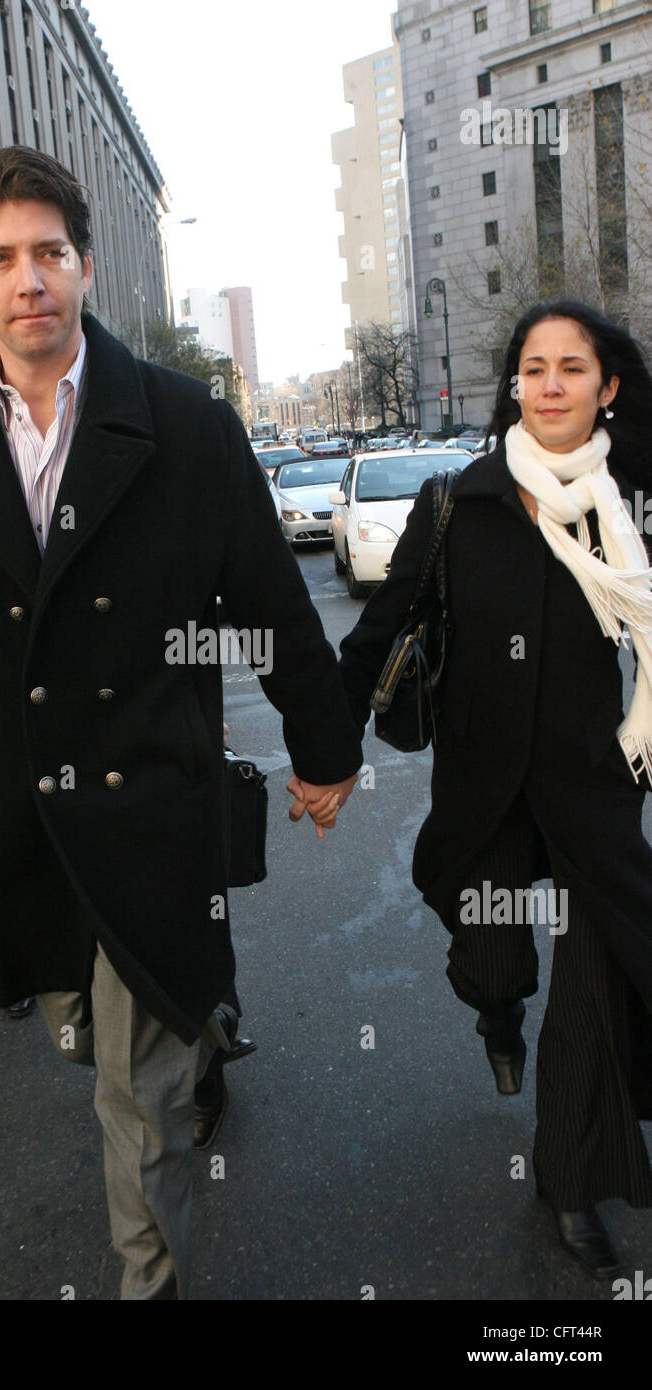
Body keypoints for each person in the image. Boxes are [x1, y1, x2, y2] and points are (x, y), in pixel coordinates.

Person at [0, 146, 361, 1300]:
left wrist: (324, 749)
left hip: (153, 811)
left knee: (135, 1101)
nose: (28, 277)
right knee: (78, 1034)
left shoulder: (181, 424)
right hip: (21, 823)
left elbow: (271, 604)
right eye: (1, 259)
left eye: (48, 253)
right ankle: (200, 1024)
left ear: (84, 267)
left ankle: (151, 1284)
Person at [338, 300, 652, 1280]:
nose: (550, 384)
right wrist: (322, 749)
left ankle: (567, 1183)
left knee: (594, 990)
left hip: (597, 792)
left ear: (605, 387)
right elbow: (376, 631)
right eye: (532, 367)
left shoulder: (634, 503)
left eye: (571, 367)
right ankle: (491, 1004)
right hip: (484, 791)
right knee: (491, 959)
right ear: (513, 384)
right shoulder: (458, 503)